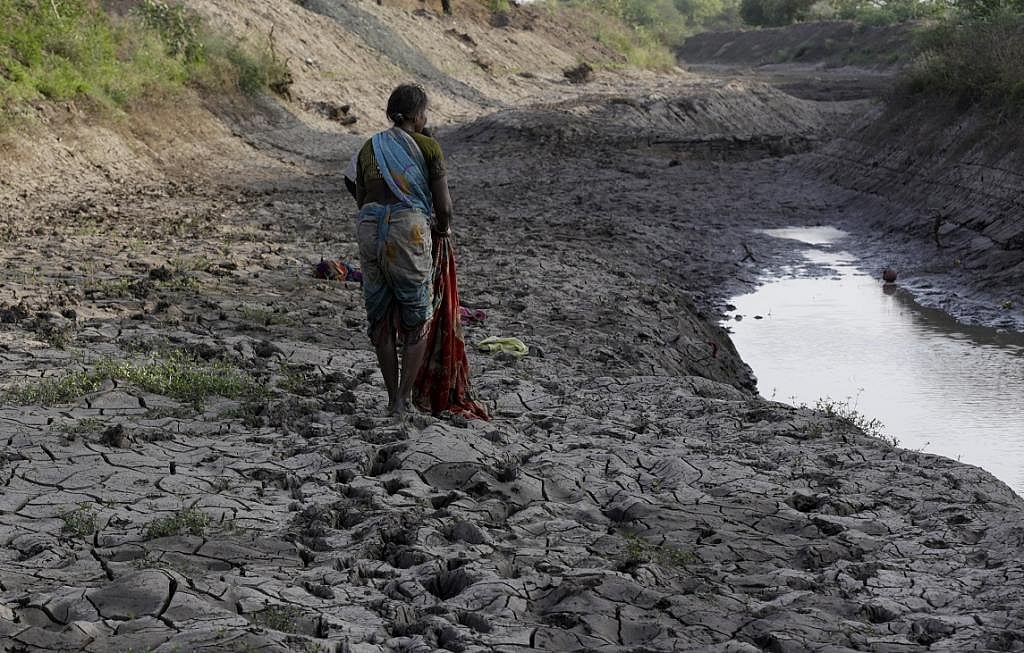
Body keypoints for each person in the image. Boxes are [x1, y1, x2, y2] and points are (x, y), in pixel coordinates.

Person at [355, 84, 453, 418]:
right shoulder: (428, 146)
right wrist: (442, 229)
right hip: (407, 232)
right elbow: (445, 208)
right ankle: (403, 400)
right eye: (426, 112)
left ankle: (389, 395)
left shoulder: (369, 147)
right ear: (417, 115)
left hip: (369, 230)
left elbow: (360, 198)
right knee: (416, 317)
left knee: (380, 315)